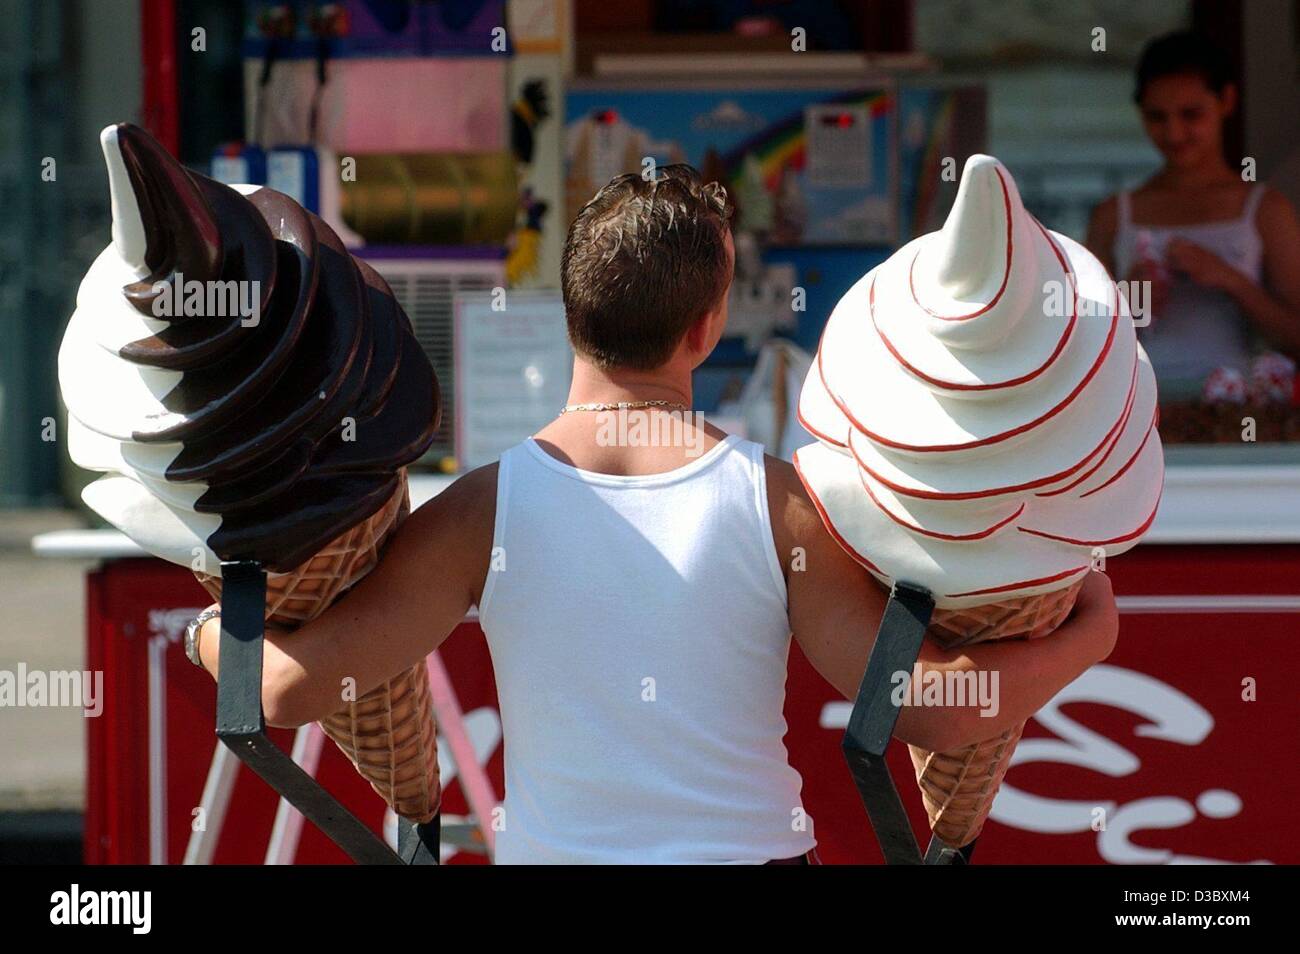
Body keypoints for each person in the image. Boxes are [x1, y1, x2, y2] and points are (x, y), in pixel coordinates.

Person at [194, 165, 1119, 864]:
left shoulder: (485, 509)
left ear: (569, 314)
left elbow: (283, 692)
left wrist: (207, 628)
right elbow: (930, 709)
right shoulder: (779, 504)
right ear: (707, 330)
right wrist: (1087, 635)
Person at [1086, 30, 1300, 402]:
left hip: (1236, 416)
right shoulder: (1112, 215)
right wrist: (1129, 303)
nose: (1174, 132)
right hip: (1134, 415)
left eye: (1191, 114)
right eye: (1157, 117)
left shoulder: (1265, 209)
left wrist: (1230, 280)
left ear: (1227, 101)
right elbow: (1080, 348)